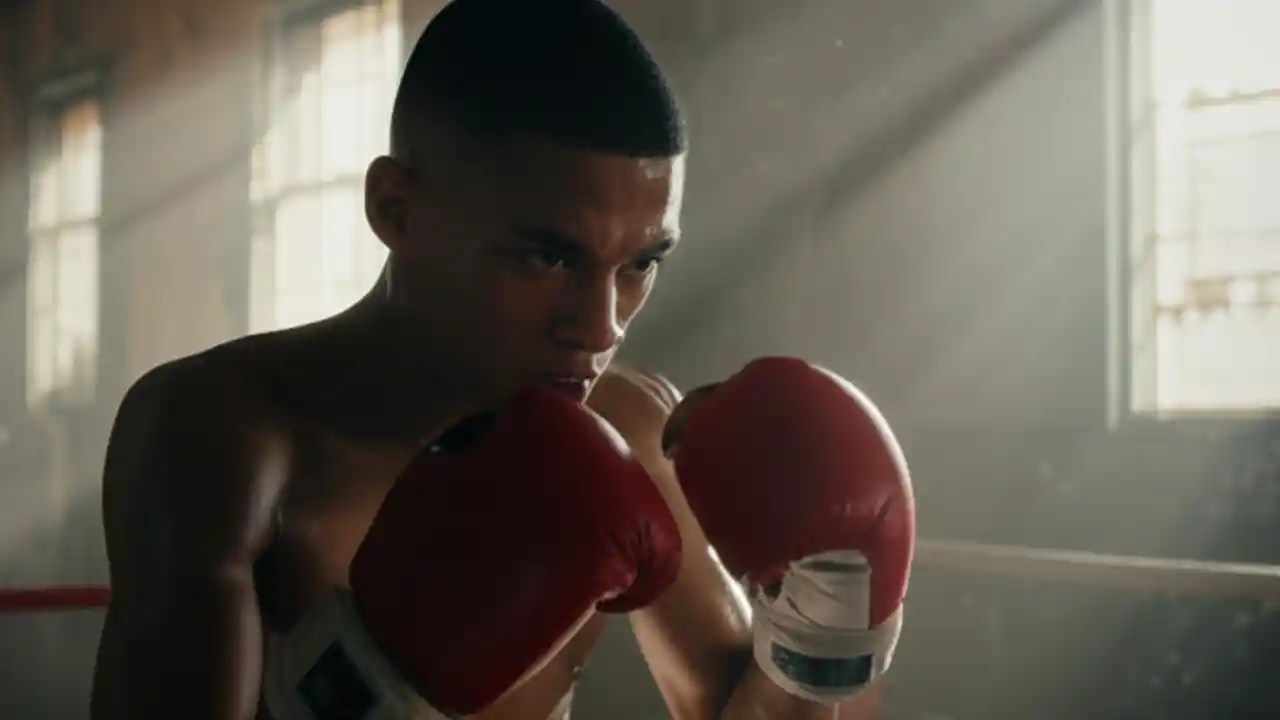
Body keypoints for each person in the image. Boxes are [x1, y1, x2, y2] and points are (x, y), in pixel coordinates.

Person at [89, 1, 910, 718]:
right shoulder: (227, 434)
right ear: (397, 209)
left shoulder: (630, 427)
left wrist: (822, 631)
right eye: (546, 258)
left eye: (641, 264)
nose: (600, 326)